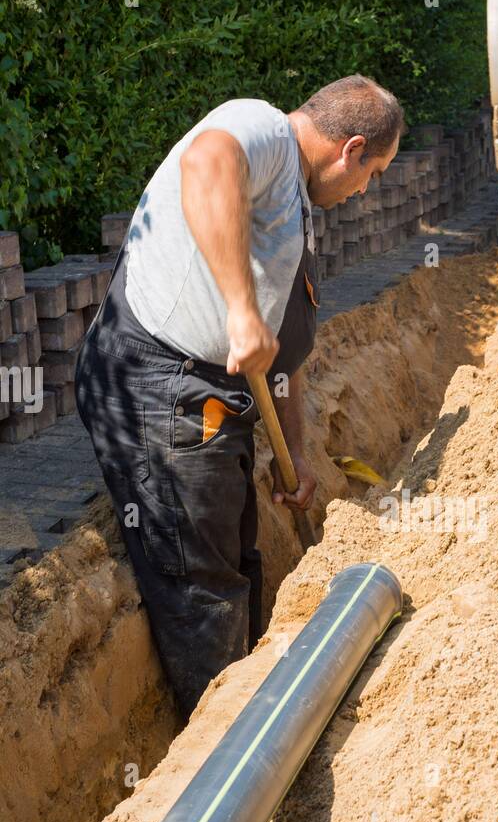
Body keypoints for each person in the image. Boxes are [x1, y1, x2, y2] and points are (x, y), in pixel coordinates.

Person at [75, 76, 405, 717]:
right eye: (375, 173)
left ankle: (259, 701)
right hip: (155, 387)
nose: (368, 190)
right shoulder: (261, 129)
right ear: (352, 148)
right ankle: (218, 746)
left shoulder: (299, 203)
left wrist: (297, 456)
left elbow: (287, 348)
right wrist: (239, 311)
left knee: (240, 559)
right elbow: (207, 163)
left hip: (211, 396)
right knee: (202, 585)